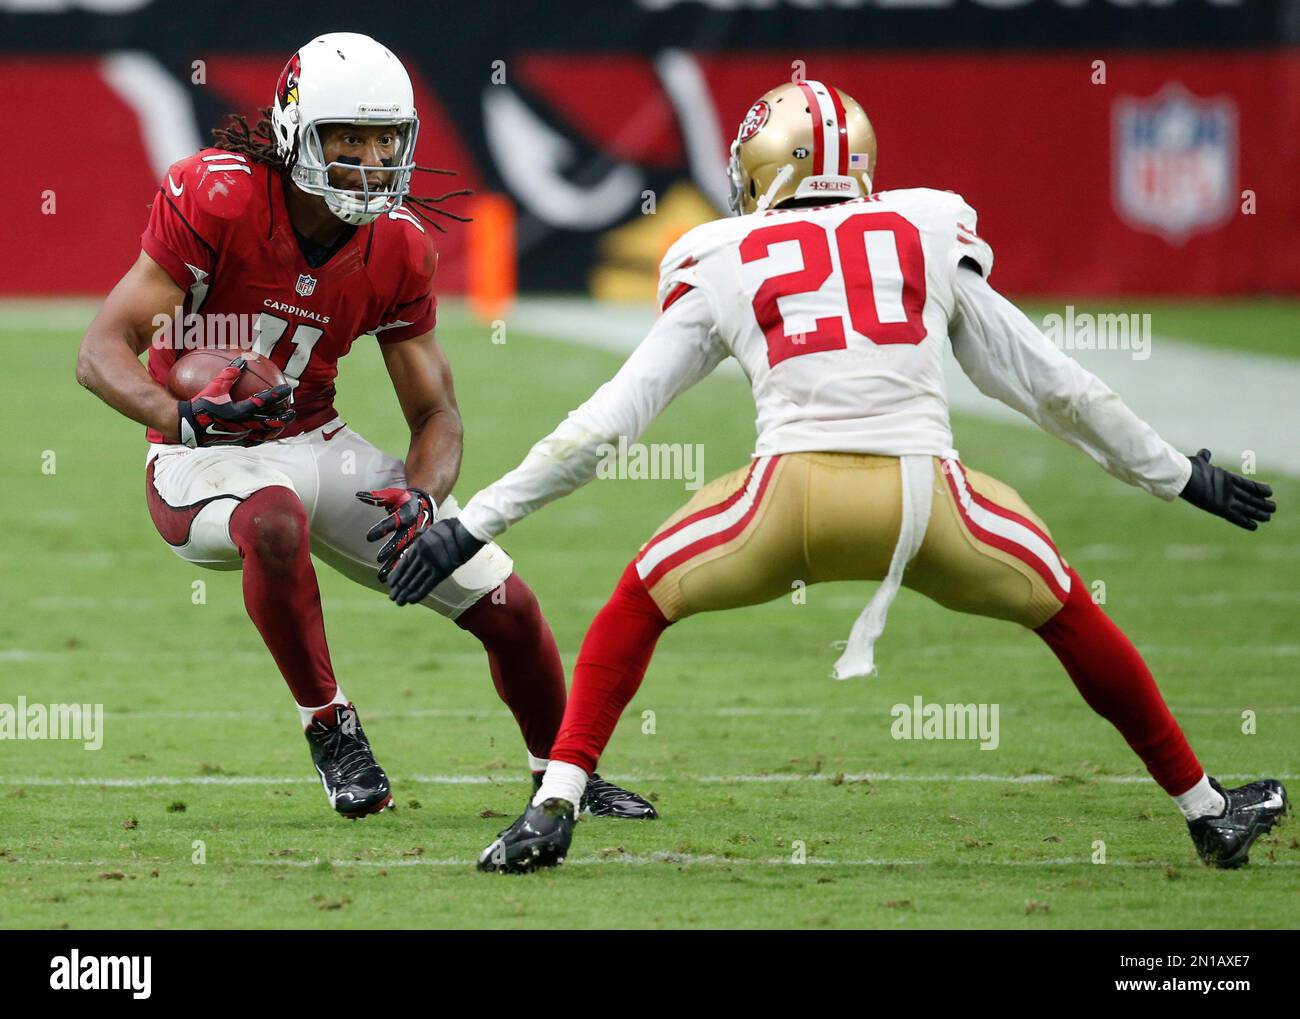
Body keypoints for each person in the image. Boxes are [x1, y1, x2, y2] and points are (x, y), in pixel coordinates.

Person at [387, 80, 1285, 871]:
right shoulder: (927, 229)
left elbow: (606, 425)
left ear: (765, 168)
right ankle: (1208, 813)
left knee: (638, 600)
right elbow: (1054, 385)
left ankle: (554, 806)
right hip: (933, 505)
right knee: (1068, 612)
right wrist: (1177, 475)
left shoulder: (724, 253)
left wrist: (475, 524)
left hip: (789, 503)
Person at [75, 32, 654, 822]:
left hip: (318, 442)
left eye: (386, 140)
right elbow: (102, 348)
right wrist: (177, 413)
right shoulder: (219, 196)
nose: (370, 160)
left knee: (508, 605)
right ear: (294, 130)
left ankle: (562, 777)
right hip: (201, 457)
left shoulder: (400, 247)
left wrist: (423, 495)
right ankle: (330, 726)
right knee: (273, 520)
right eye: (347, 137)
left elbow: (436, 412)